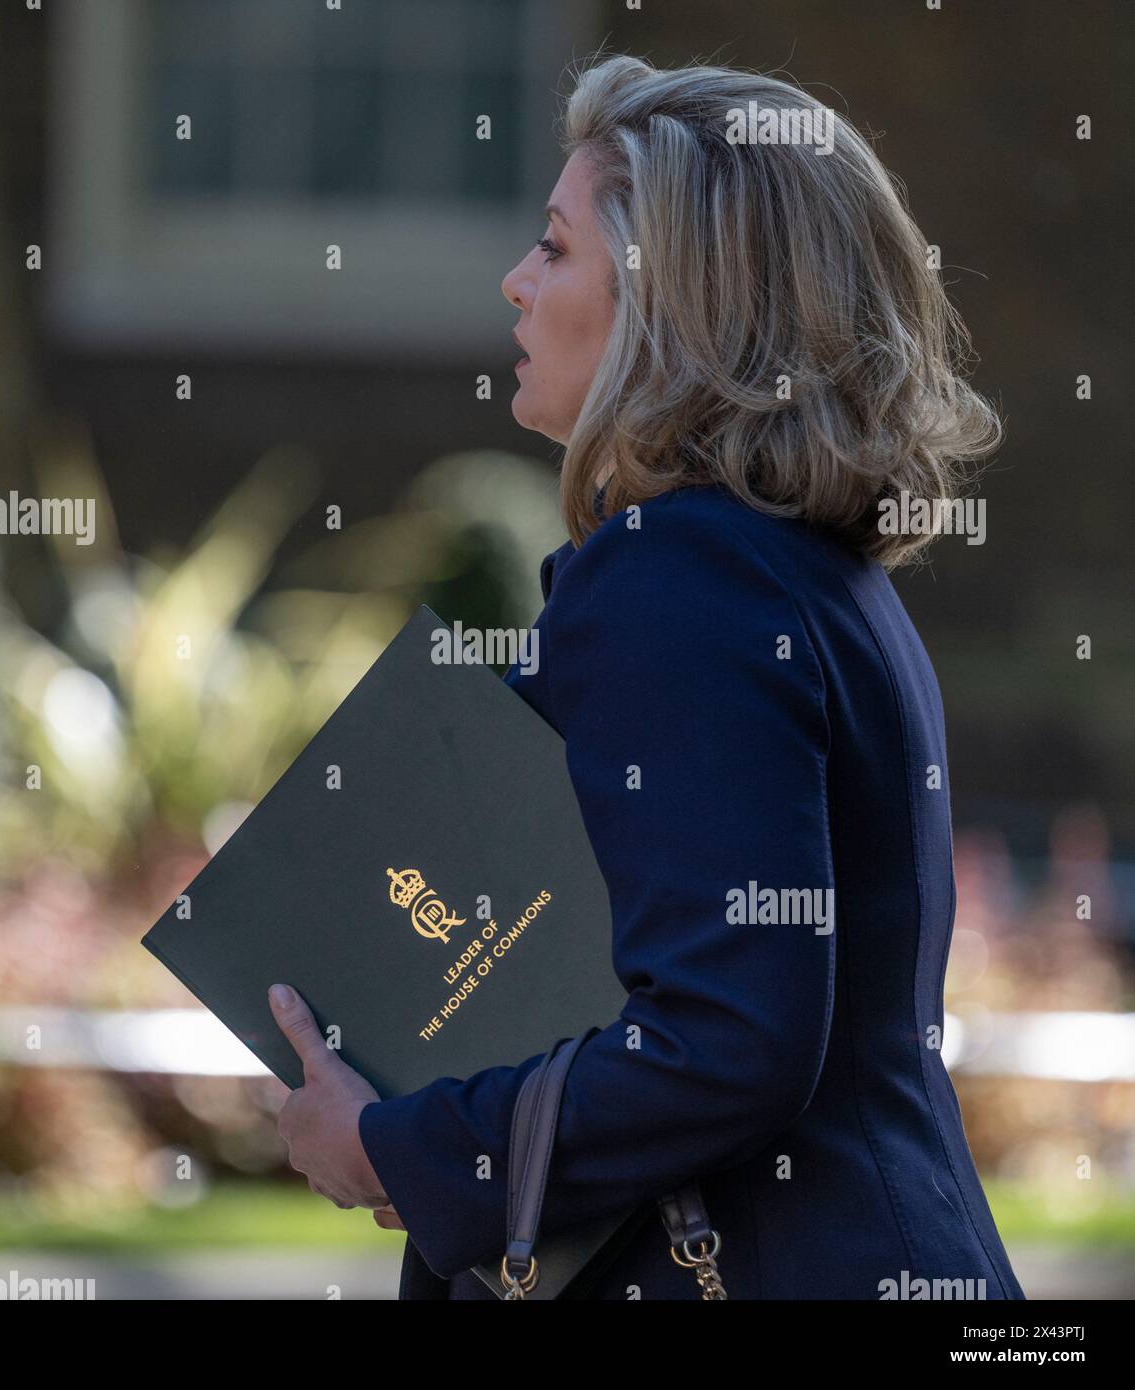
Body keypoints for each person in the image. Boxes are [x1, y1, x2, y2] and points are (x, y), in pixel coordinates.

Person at [264, 53, 1026, 1301]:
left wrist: (390, 1146)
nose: (515, 282)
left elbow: (729, 1039)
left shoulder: (677, 581)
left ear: (674, 303)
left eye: (555, 251)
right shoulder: (808, 576)